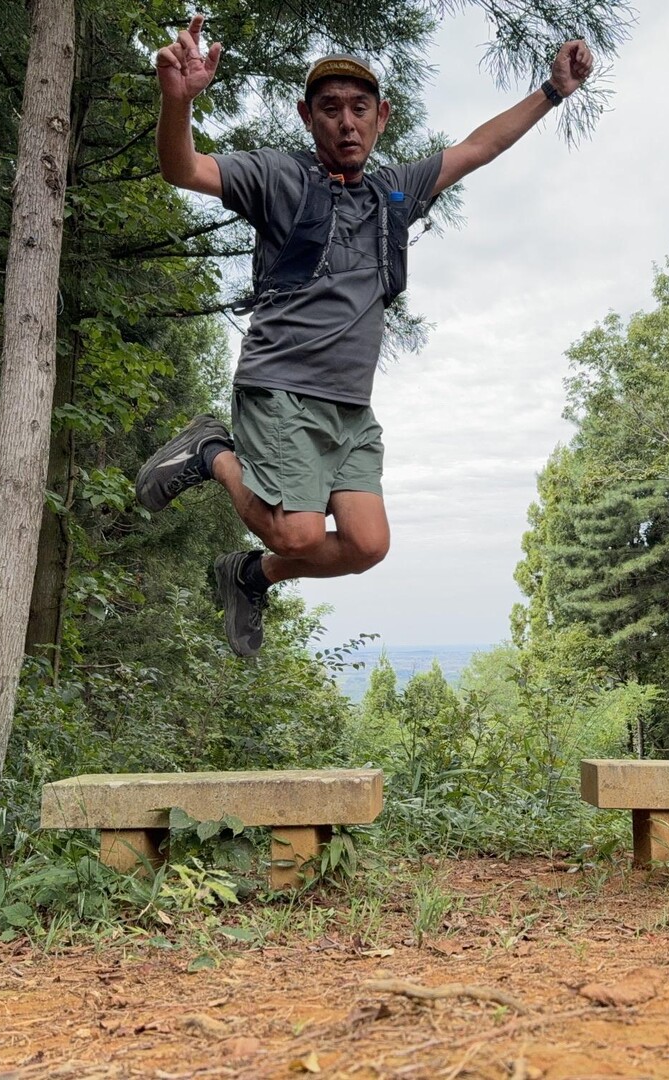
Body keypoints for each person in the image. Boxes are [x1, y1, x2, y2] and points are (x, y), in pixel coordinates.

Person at [137, 14, 594, 657]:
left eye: (360, 108)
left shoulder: (393, 195)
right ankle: (212, 450)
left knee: (366, 545)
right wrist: (176, 103)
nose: (346, 122)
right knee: (296, 534)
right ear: (306, 116)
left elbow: (478, 147)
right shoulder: (279, 178)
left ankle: (246, 575)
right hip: (281, 389)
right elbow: (183, 169)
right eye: (330, 109)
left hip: (350, 408)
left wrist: (552, 92)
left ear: (382, 117)